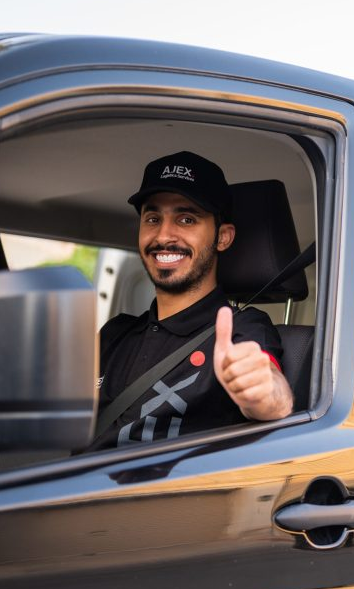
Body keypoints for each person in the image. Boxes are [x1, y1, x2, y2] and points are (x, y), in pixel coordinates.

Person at [94, 150, 293, 449]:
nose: (163, 235)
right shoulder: (114, 334)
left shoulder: (243, 329)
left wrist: (263, 392)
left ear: (223, 237)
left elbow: (272, 391)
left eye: (186, 219)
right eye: (152, 217)